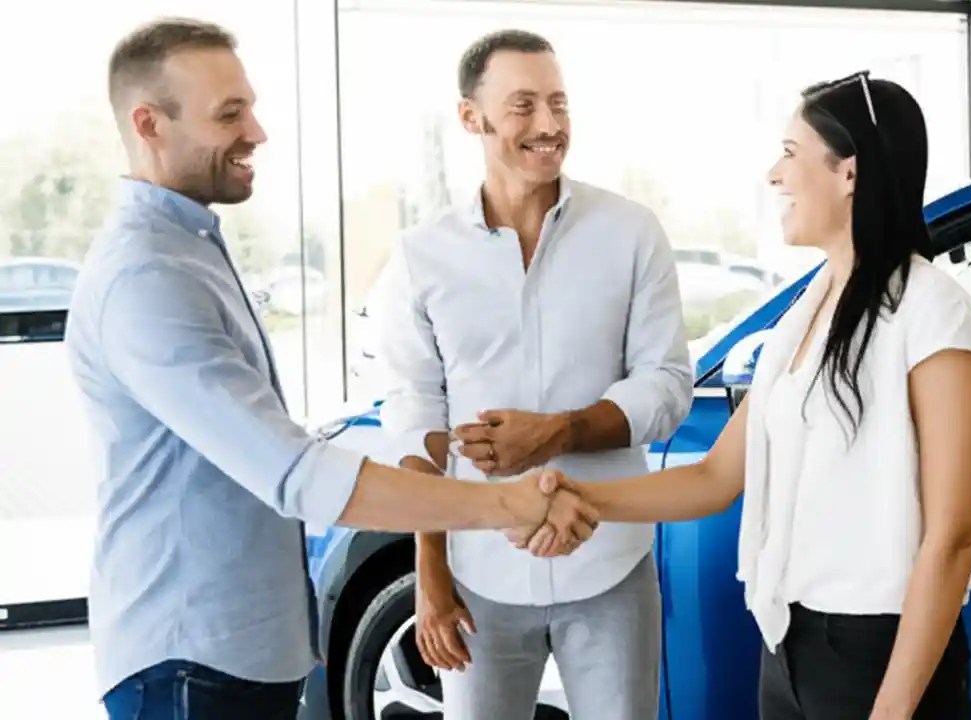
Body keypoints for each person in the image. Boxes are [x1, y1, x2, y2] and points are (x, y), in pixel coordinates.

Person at [65, 18, 596, 720]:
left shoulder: (188, 246)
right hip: (190, 660)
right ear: (148, 124)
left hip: (235, 653)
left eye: (249, 106)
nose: (258, 132)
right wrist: (508, 503)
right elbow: (297, 475)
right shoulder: (145, 277)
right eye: (230, 114)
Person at [514, 72, 971, 719]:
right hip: (790, 644)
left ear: (848, 173)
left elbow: (954, 536)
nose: (775, 174)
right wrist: (582, 498)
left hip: (880, 652)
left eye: (792, 153)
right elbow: (717, 477)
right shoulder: (810, 309)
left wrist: (892, 710)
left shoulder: (937, 315)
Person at [374, 28, 693, 720]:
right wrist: (429, 571)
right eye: (522, 105)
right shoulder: (420, 257)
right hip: (476, 576)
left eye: (559, 103)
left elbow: (667, 384)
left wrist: (561, 433)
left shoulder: (631, 232)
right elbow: (413, 415)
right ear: (471, 117)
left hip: (612, 566)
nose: (549, 125)